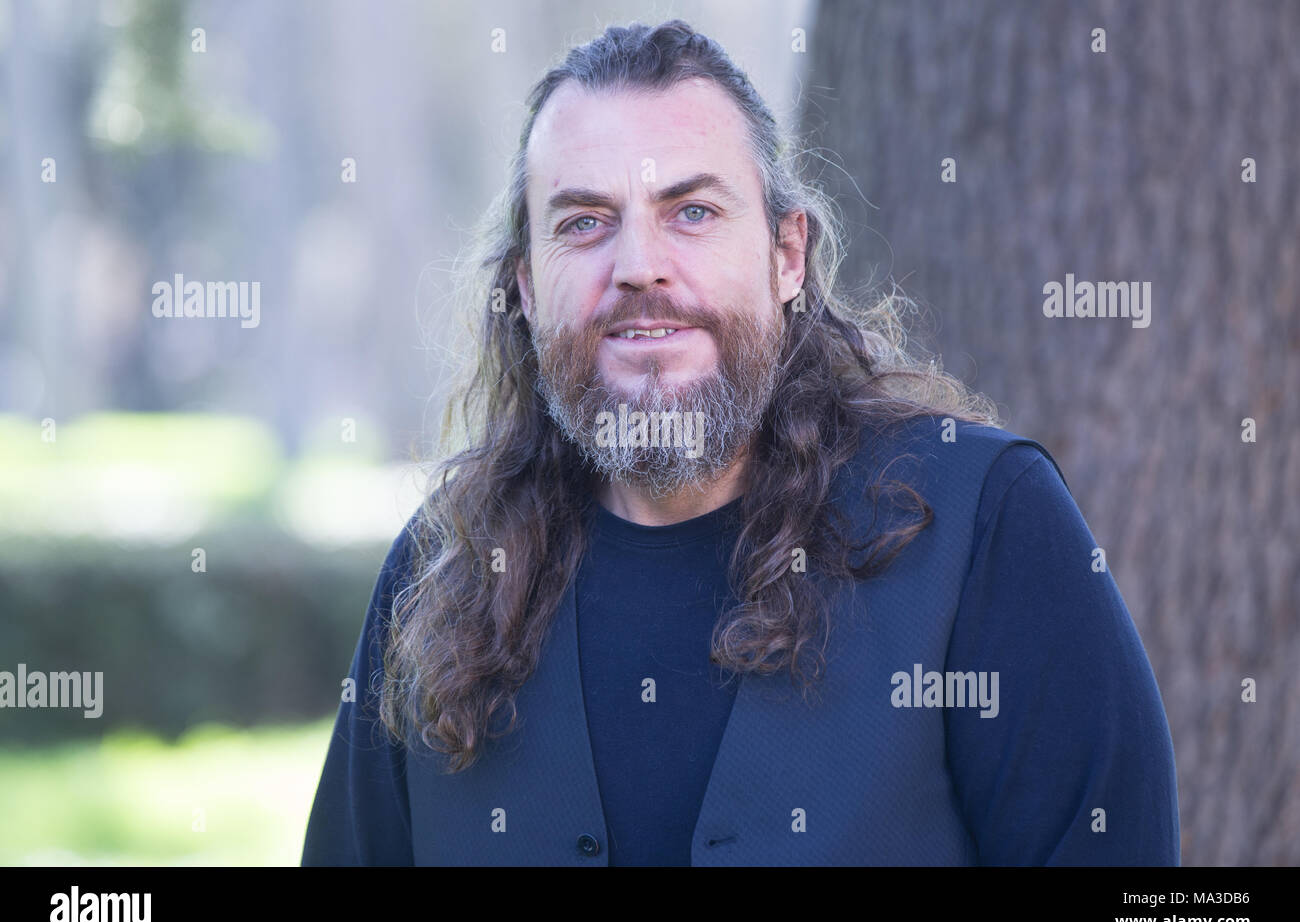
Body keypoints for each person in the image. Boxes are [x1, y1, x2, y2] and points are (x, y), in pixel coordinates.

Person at [301, 19, 1179, 866]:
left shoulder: (986, 529)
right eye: (582, 222)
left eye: (691, 211)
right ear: (527, 289)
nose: (638, 265)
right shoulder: (442, 574)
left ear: (787, 253)